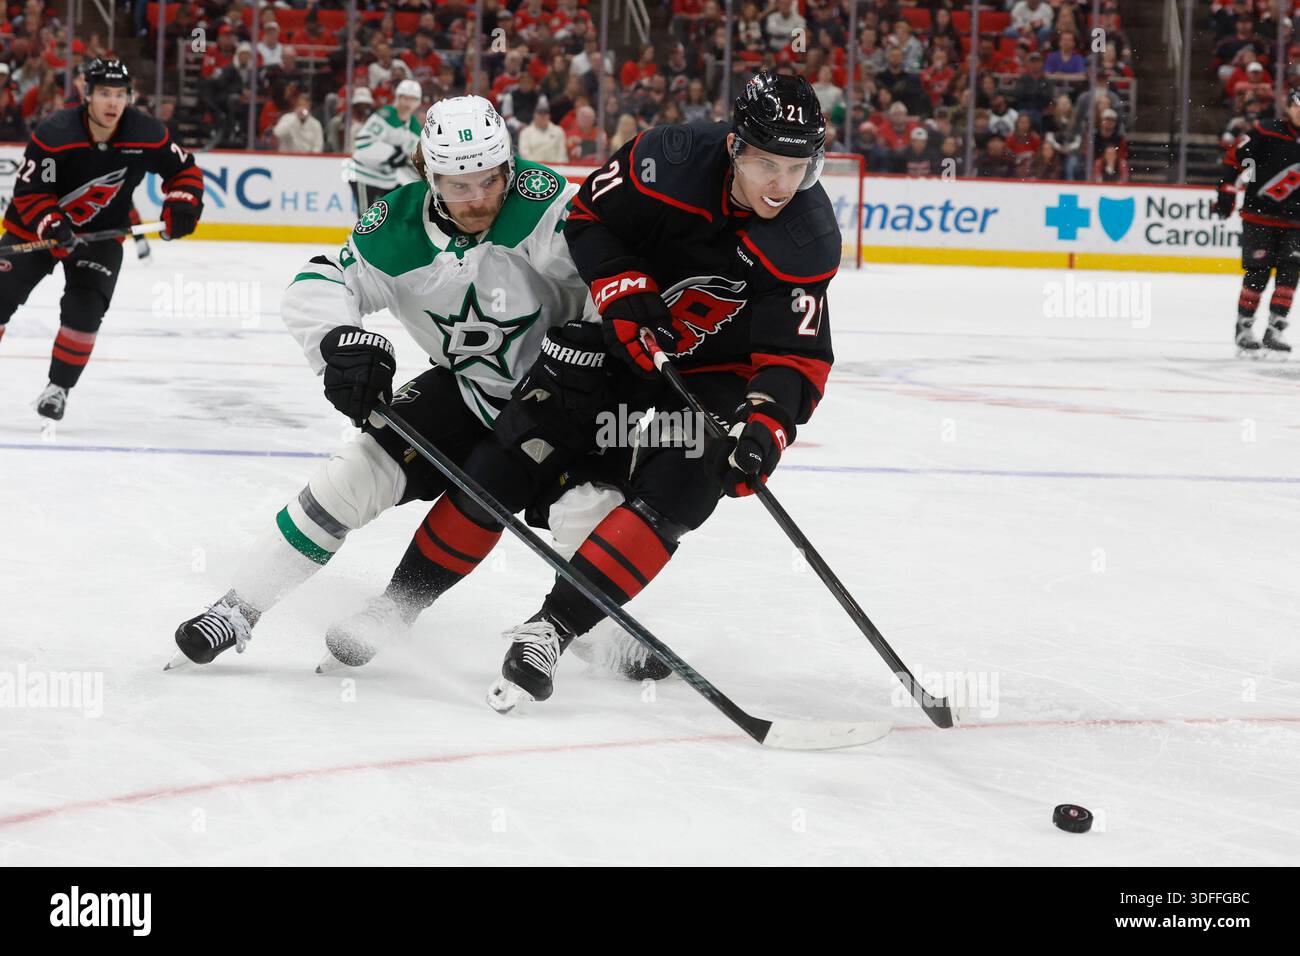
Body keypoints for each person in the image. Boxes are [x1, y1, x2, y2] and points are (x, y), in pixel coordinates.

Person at [346, 72, 840, 712]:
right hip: (615, 336)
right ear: (735, 149)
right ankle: (395, 607)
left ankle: (550, 631)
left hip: (712, 375)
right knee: (511, 455)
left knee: (688, 482)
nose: (782, 185)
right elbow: (588, 217)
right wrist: (622, 291)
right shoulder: (667, 159)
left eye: (798, 167)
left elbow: (794, 352)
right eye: (767, 163)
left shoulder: (807, 235)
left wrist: (766, 422)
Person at [169, 97, 623, 674]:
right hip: (466, 389)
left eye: (490, 180)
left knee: (592, 512)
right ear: (429, 176)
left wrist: (593, 342)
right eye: (459, 185)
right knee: (354, 476)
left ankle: (593, 633)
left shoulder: (544, 204)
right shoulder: (397, 227)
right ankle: (239, 608)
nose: (479, 198)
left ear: (509, 168)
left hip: (560, 398)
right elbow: (322, 280)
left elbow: (610, 275)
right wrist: (338, 345)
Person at [0, 58, 203, 421]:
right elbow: (31, 192)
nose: (113, 103)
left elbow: (182, 170)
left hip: (99, 236)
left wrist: (183, 204)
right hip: (33, 230)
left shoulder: (147, 133)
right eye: (105, 94)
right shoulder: (55, 133)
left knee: (85, 310)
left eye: (120, 94)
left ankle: (58, 388)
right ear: (87, 93)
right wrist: (53, 226)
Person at [1214, 88, 1300, 354]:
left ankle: (1275, 329)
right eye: (1297, 106)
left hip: (1296, 221)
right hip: (1259, 216)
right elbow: (1236, 158)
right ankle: (1244, 325)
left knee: (1290, 271)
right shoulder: (1265, 132)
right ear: (1288, 107)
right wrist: (1227, 190)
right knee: (1258, 272)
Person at [345, 78, 422, 213]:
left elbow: (411, 157)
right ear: (398, 98)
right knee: (366, 221)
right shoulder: (385, 115)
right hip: (363, 174)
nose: (408, 103)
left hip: (388, 179)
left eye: (413, 99)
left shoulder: (414, 126)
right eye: (405, 98)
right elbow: (363, 142)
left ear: (418, 102)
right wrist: (392, 153)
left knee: (393, 216)